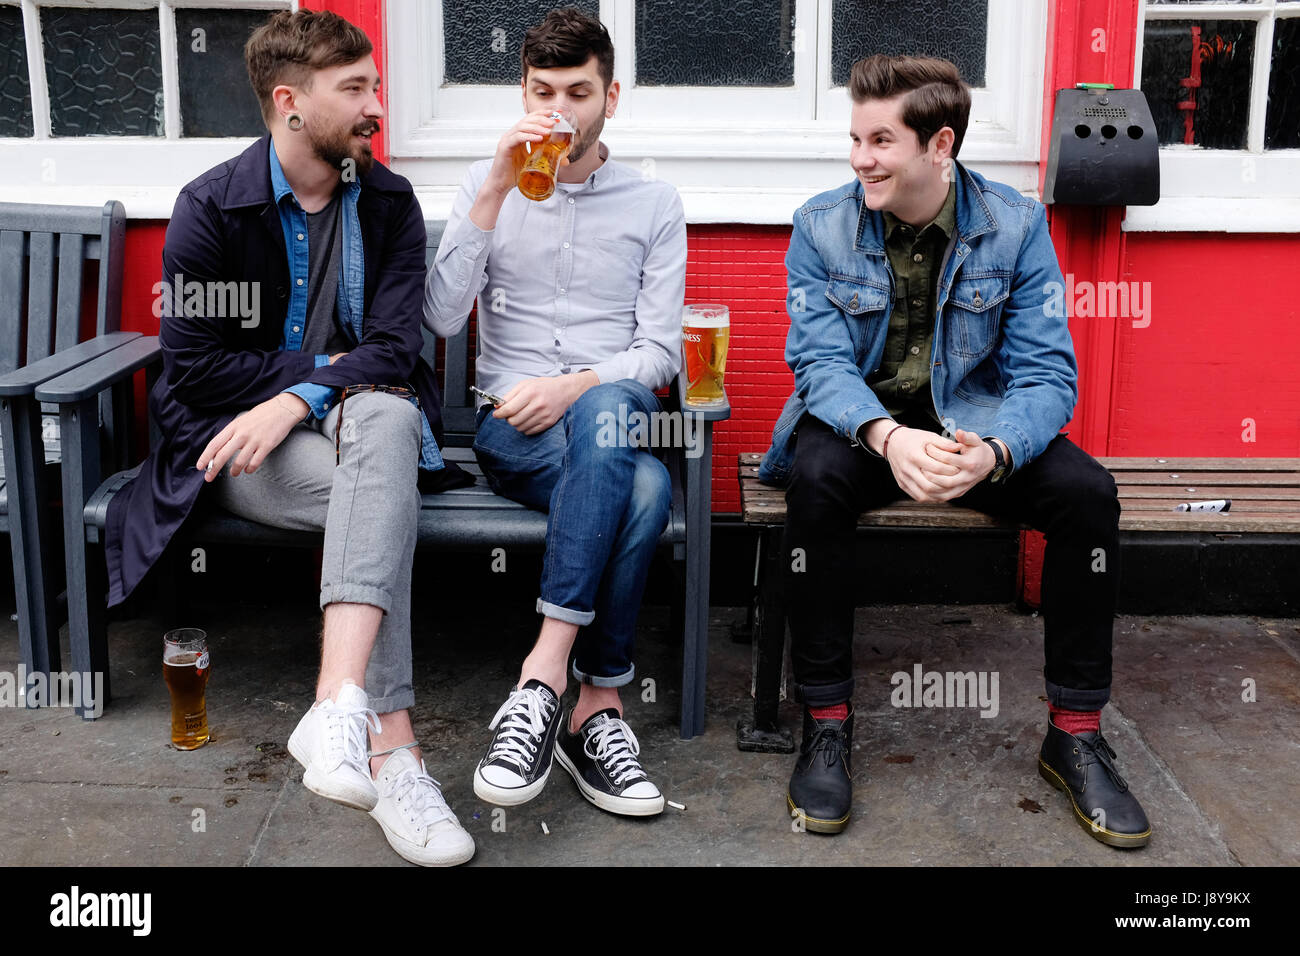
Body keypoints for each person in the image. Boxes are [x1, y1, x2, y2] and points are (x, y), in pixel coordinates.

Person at [104, 9, 474, 866]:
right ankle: (398, 753)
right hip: (237, 450)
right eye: (356, 89)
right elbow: (193, 371)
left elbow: (392, 349)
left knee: (382, 419)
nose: (375, 104)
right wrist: (304, 390)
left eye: (374, 84)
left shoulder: (385, 201)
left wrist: (296, 395)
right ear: (290, 103)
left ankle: (343, 713)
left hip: (350, 425)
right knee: (378, 472)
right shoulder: (211, 207)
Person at [759, 54, 1151, 848]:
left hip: (974, 431)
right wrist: (887, 435)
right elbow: (820, 363)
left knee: (1086, 494)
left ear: (940, 145)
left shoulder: (1015, 224)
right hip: (863, 430)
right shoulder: (820, 224)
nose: (858, 158)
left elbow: (1047, 373)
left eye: (879, 140)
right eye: (854, 138)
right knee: (815, 480)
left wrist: (997, 451)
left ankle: (1073, 733)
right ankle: (826, 723)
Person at [423, 7, 686, 817]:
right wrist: (497, 188)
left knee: (611, 412)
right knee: (643, 492)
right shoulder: (487, 182)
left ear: (614, 95)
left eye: (581, 91)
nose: (562, 111)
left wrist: (573, 385)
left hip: (606, 413)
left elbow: (662, 354)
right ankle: (596, 708)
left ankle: (545, 680)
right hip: (512, 431)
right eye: (546, 91)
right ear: (524, 92)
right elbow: (439, 316)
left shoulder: (654, 202)